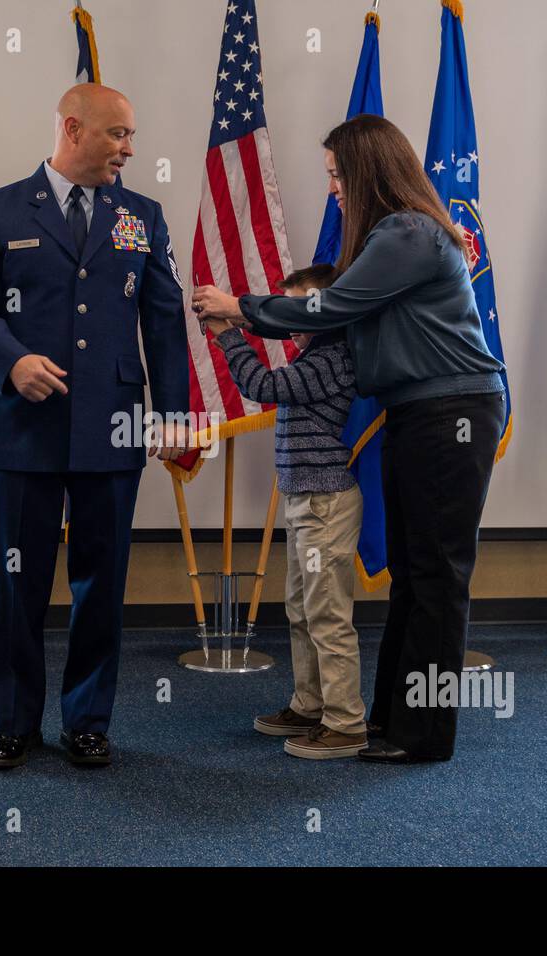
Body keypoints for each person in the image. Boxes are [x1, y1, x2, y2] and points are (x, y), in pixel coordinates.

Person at [192, 113, 506, 764]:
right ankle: (394, 723)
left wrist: (239, 309)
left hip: (453, 413)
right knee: (414, 577)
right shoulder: (397, 235)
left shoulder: (408, 232)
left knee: (438, 578)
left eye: (337, 174)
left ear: (366, 170)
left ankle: (423, 737)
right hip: (419, 412)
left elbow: (329, 309)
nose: (333, 188)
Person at [0, 83, 189, 770]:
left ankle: (87, 719)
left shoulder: (141, 216)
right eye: (117, 134)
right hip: (23, 428)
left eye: (131, 136)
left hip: (112, 429)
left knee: (101, 584)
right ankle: (13, 721)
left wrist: (171, 411)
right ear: (73, 128)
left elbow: (164, 318)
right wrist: (11, 359)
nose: (129, 149)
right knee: (16, 582)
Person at [204, 263, 368, 760]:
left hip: (325, 503)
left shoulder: (333, 358)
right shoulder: (316, 350)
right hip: (306, 500)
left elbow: (261, 385)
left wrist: (228, 335)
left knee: (327, 613)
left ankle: (345, 722)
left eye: (301, 308)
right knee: (301, 609)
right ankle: (310, 703)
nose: (292, 320)